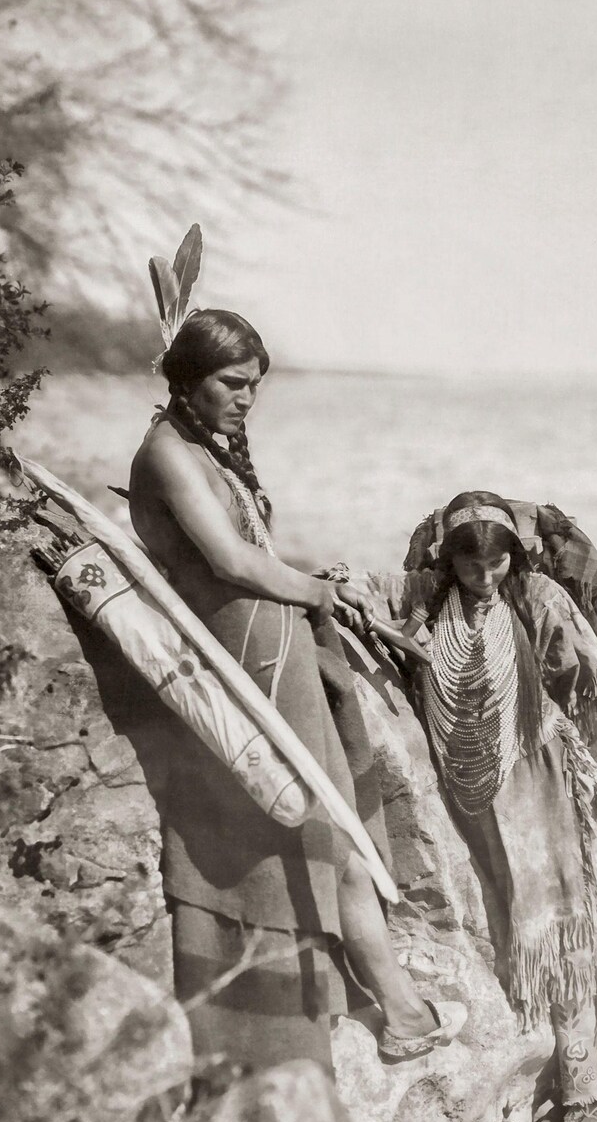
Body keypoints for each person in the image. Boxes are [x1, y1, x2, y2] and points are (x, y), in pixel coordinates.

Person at [128, 308, 465, 1070]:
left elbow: (251, 555)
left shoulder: (199, 449)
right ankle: (397, 1008)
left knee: (332, 822)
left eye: (255, 386)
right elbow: (233, 564)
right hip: (250, 665)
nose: (247, 399)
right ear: (187, 379)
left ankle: (380, 990)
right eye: (232, 383)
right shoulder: (167, 455)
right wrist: (312, 593)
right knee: (321, 828)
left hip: (273, 657)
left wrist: (314, 586)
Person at [356, 491, 597, 1122]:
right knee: (493, 925)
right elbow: (363, 588)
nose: (485, 577)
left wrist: (582, 770)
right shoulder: (424, 591)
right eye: (472, 565)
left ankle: (586, 1090)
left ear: (514, 556)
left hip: (538, 787)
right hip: (468, 799)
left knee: (555, 927)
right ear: (451, 560)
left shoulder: (537, 599)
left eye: (497, 562)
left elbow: (591, 683)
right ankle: (524, 1085)